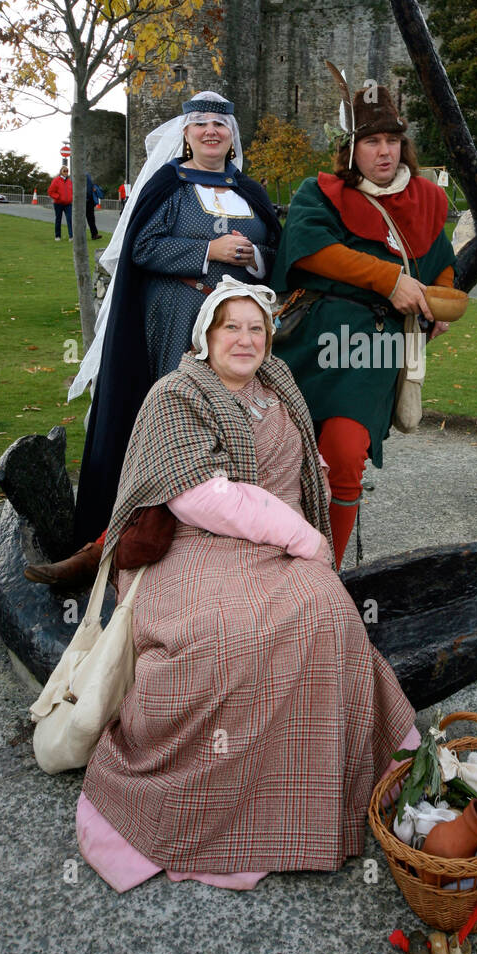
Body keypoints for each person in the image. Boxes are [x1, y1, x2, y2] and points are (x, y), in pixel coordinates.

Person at [74, 278, 417, 891]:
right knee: (223, 635)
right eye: (230, 326)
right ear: (206, 335)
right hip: (191, 549)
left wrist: (309, 489)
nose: (245, 338)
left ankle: (304, 805)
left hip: (273, 553)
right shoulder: (176, 393)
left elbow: (296, 466)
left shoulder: (277, 384)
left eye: (256, 327)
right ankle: (197, 808)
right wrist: (306, 538)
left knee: (325, 611)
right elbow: (199, 494)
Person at [28, 90, 281, 584]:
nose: (212, 131)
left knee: (235, 422)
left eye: (221, 124)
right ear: (185, 134)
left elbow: (275, 248)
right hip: (177, 319)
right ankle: (126, 540)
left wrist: (251, 255)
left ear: (233, 136)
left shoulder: (248, 190)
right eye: (201, 123)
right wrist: (210, 250)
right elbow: (141, 247)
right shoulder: (169, 184)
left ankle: (219, 536)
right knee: (175, 421)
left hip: (238, 327)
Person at [270, 85, 455, 568]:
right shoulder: (322, 191)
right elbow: (310, 248)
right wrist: (389, 278)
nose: (385, 152)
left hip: (371, 347)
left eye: (393, 141)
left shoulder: (429, 200)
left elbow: (442, 266)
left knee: (345, 453)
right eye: (373, 142)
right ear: (352, 149)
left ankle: (322, 577)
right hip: (307, 337)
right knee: (269, 446)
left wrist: (437, 305)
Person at [48, 163, 73, 240]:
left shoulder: (69, 181)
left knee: (69, 219)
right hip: (58, 203)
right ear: (61, 172)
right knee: (58, 219)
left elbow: (72, 191)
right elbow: (50, 191)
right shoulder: (56, 180)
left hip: (68, 204)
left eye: (67, 171)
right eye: (64, 171)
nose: (66, 172)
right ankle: (57, 236)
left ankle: (71, 236)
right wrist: (58, 197)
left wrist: (71, 198)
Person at [85, 173, 103, 241]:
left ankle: (94, 234)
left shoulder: (85, 177)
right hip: (88, 201)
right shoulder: (88, 177)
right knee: (91, 219)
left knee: (90, 219)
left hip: (87, 201)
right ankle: (94, 234)